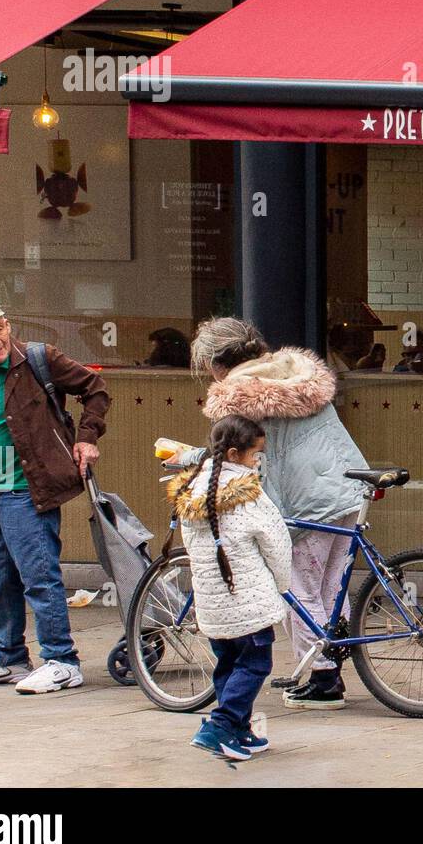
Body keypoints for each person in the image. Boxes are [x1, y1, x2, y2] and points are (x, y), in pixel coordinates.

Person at [0, 297, 109, 694]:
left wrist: (87, 437)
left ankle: (62, 661)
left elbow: (94, 389)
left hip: (28, 490)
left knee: (39, 577)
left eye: (0, 328)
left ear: (8, 324)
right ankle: (8, 659)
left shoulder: (39, 359)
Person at [192, 318, 370, 709]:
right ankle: (325, 667)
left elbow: (237, 455)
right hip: (346, 489)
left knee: (297, 588)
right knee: (325, 589)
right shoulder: (297, 371)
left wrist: (190, 459)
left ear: (215, 362)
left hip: (308, 501)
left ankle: (325, 679)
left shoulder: (239, 394)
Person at [168, 414, 293, 760]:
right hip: (248, 602)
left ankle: (238, 729)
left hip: (213, 603)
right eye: (256, 455)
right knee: (255, 665)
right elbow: (277, 544)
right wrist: (281, 585)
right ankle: (220, 726)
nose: (258, 462)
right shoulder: (248, 494)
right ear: (237, 454)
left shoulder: (194, 489)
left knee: (228, 665)